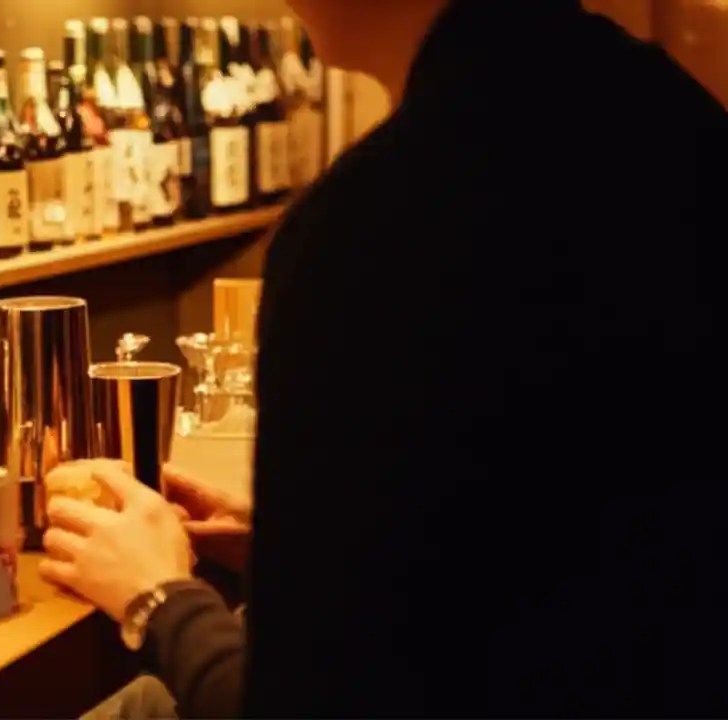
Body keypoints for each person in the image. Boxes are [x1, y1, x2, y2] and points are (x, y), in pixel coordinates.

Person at [38, 0, 728, 716]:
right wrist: (299, 547)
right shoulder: (656, 115)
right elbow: (552, 530)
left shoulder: (386, 225)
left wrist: (157, 598)